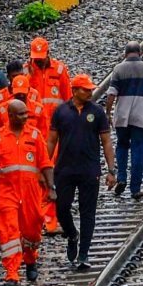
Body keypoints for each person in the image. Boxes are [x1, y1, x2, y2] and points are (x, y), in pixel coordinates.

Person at [48, 73, 116, 272]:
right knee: (61, 207)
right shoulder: (60, 112)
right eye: (85, 89)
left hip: (89, 169)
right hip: (64, 169)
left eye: (90, 89)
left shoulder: (97, 112)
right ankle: (72, 235)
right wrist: (45, 168)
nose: (90, 92)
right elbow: (51, 140)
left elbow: (106, 142)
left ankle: (84, 253)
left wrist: (111, 170)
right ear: (74, 91)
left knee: (88, 212)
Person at [0, 98, 53, 286]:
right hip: (7, 193)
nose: (26, 117)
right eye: (21, 114)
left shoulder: (34, 134)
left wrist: (51, 187)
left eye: (26, 113)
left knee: (32, 229)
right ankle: (12, 273)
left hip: (31, 192)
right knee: (8, 231)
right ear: (10, 116)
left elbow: (45, 163)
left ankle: (30, 259)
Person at [25, 37, 71, 231]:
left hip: (55, 131)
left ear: (48, 54)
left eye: (41, 58)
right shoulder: (27, 72)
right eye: (35, 58)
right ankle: (39, 216)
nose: (38, 61)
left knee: (52, 172)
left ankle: (51, 218)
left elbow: (68, 98)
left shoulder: (60, 70)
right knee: (36, 175)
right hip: (35, 131)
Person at [109, 41, 143, 200]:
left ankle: (122, 178)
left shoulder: (118, 69)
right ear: (140, 53)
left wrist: (107, 113)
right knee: (139, 150)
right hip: (140, 116)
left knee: (122, 146)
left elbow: (111, 94)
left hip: (122, 117)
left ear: (125, 54)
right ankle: (135, 188)